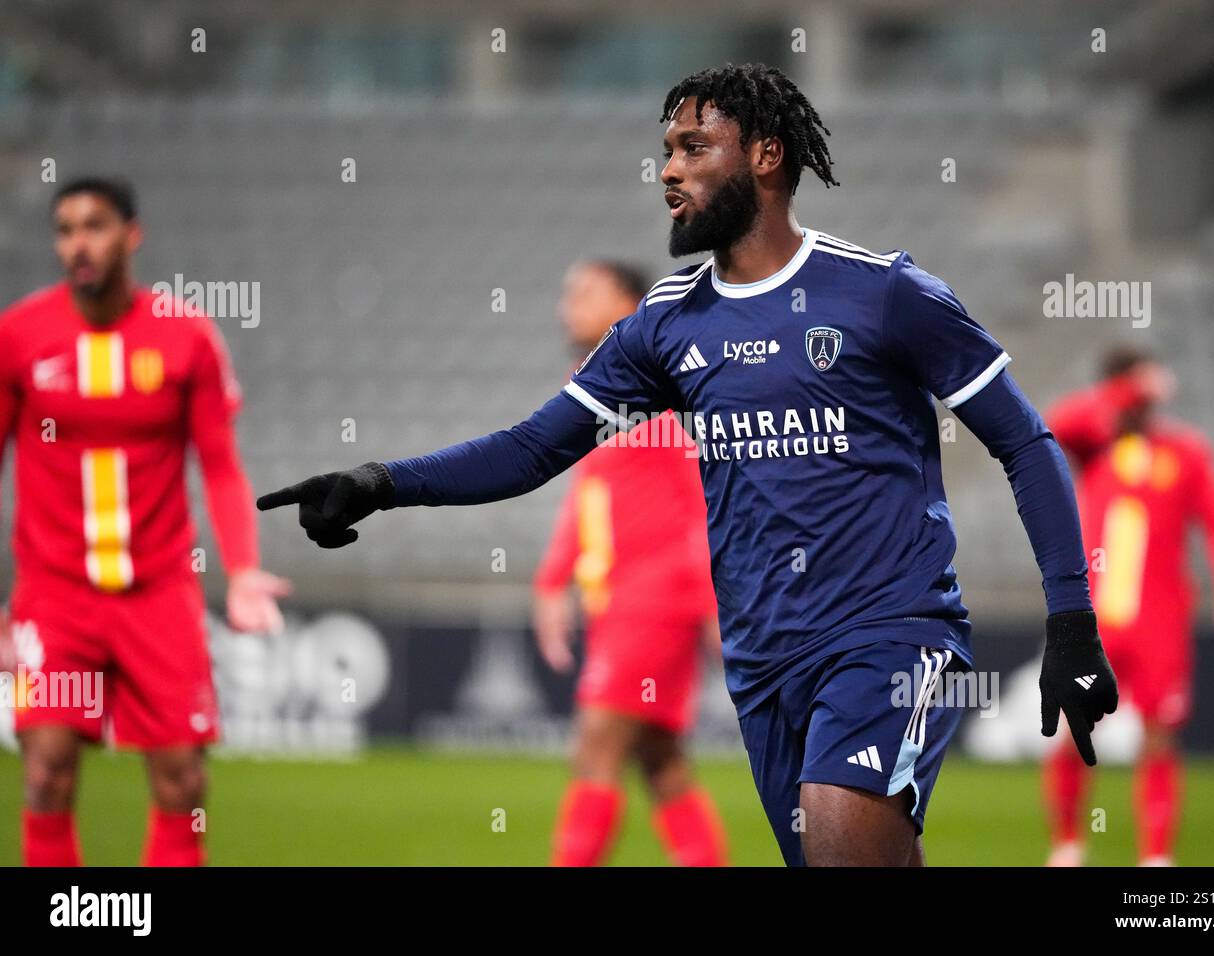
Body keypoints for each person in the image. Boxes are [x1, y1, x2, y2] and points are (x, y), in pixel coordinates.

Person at [259, 63, 1118, 866]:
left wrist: (1071, 621)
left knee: (838, 828)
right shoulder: (665, 327)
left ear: (767, 156)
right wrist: (379, 483)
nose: (668, 171)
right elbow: (530, 450)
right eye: (666, 151)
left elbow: (1026, 442)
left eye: (694, 148)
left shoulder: (885, 294)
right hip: (762, 659)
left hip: (888, 632)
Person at [0, 177, 290, 866]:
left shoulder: (186, 337)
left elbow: (221, 465)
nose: (78, 243)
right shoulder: (19, 336)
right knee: (44, 773)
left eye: (94, 226)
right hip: (55, 594)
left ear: (131, 236)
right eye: (65, 229)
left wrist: (243, 571)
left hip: (160, 594)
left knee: (183, 781)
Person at [534, 259, 726, 867]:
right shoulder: (595, 380)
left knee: (595, 751)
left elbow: (704, 500)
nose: (569, 304)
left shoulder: (659, 381)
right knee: (661, 764)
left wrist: (714, 604)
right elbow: (589, 492)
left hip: (656, 601)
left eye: (584, 291)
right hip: (623, 601)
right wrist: (552, 579)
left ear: (627, 301)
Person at [1042, 346, 1214, 866]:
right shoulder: (1095, 445)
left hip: (1160, 621)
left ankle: (1155, 858)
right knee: (1075, 729)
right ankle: (1069, 844)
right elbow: (1054, 422)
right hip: (1096, 624)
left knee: (1159, 737)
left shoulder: (1186, 451)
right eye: (1132, 390)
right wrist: (1129, 388)